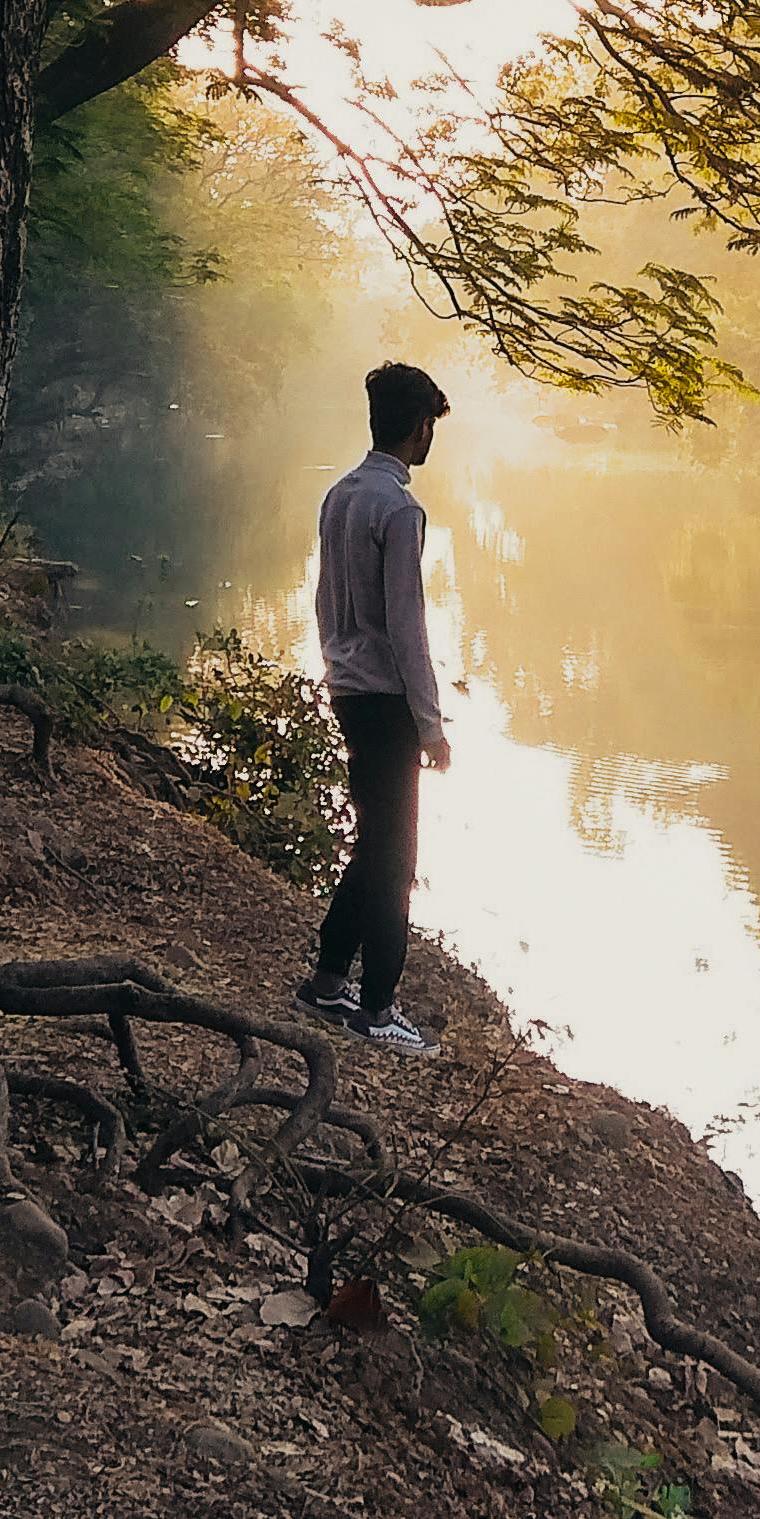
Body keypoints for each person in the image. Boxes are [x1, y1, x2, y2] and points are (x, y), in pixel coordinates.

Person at [296, 360, 453, 1056]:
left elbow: (326, 599)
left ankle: (329, 981)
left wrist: (334, 667)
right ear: (420, 429)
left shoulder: (339, 496)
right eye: (430, 428)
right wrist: (432, 724)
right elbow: (407, 624)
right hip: (387, 701)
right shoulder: (400, 509)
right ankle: (379, 1005)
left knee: (374, 843)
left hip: (347, 688)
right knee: (396, 857)